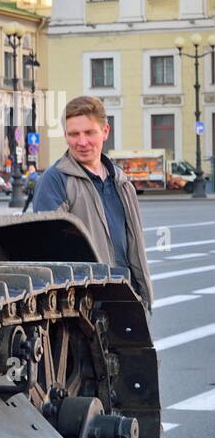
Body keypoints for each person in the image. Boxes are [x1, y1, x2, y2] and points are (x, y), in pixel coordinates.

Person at [31, 95, 153, 310]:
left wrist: (144, 296)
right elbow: (47, 253)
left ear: (105, 132)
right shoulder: (55, 180)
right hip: (83, 307)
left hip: (126, 295)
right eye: (73, 134)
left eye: (89, 133)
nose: (82, 142)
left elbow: (136, 247)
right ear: (65, 135)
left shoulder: (121, 182)